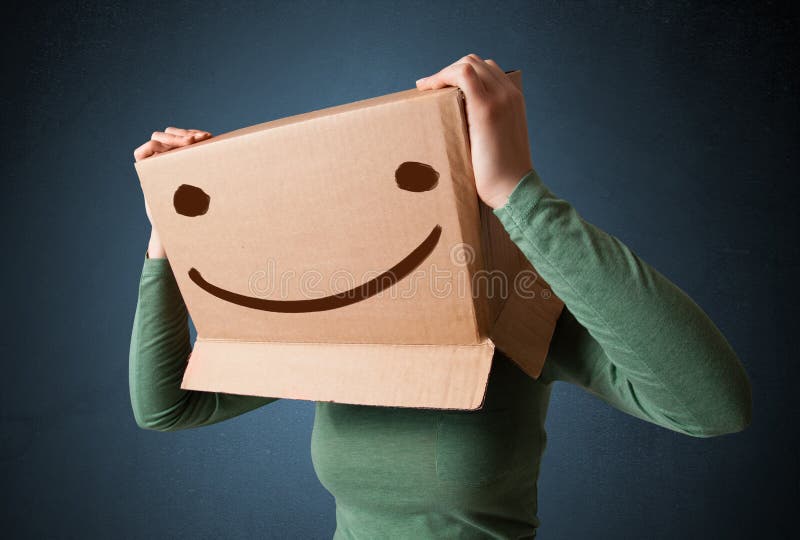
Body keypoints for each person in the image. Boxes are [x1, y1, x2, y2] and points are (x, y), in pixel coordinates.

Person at [129, 54, 752, 538]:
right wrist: (174, 238)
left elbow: (713, 408)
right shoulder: (341, 314)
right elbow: (167, 409)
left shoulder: (514, 305)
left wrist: (516, 190)